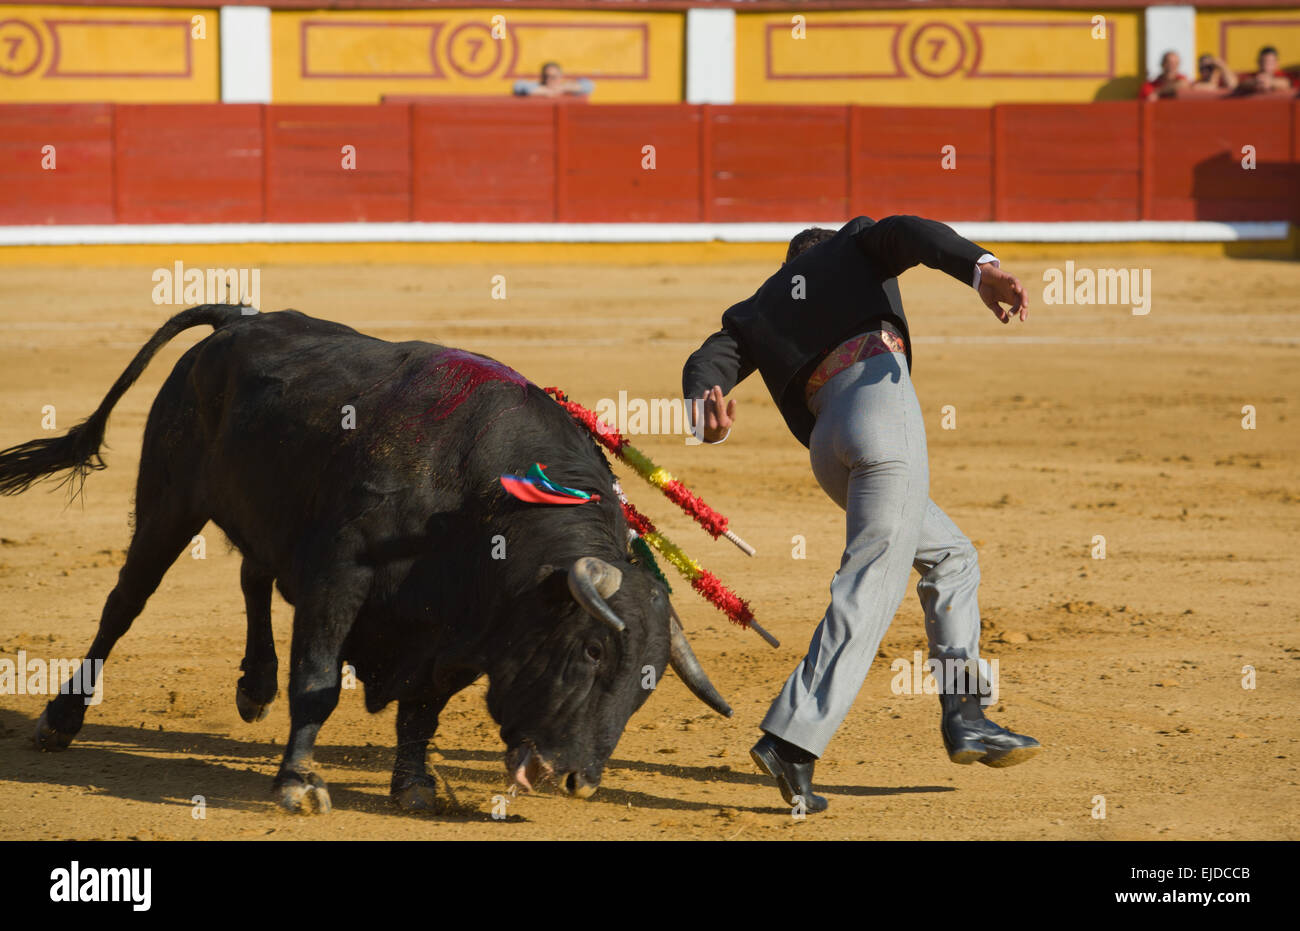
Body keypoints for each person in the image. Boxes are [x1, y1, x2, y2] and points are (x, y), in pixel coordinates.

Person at [681, 216, 1042, 812]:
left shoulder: (757, 308)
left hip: (829, 444)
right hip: (877, 407)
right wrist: (980, 269)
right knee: (870, 584)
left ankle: (966, 713)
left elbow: (708, 361)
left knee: (951, 557)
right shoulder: (854, 244)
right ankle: (793, 739)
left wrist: (703, 411)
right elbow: (910, 232)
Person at [513, 61, 594, 98]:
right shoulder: (539, 86)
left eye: (553, 77)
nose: (548, 80)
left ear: (560, 77)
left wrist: (564, 88)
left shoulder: (567, 87)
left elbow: (589, 86)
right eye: (546, 76)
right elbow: (518, 86)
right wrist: (544, 91)